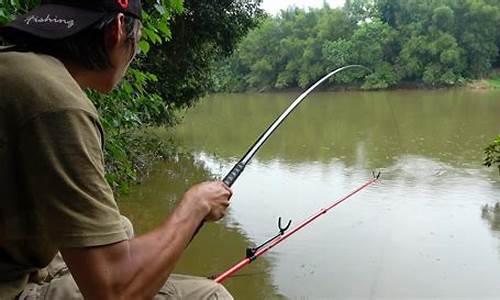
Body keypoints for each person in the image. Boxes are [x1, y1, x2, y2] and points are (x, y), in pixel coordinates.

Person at [0, 1, 233, 299]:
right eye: (136, 41)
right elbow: (111, 292)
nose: (133, 55)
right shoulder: (56, 102)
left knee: (120, 229)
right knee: (210, 296)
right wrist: (195, 206)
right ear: (118, 29)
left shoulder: (13, 68)